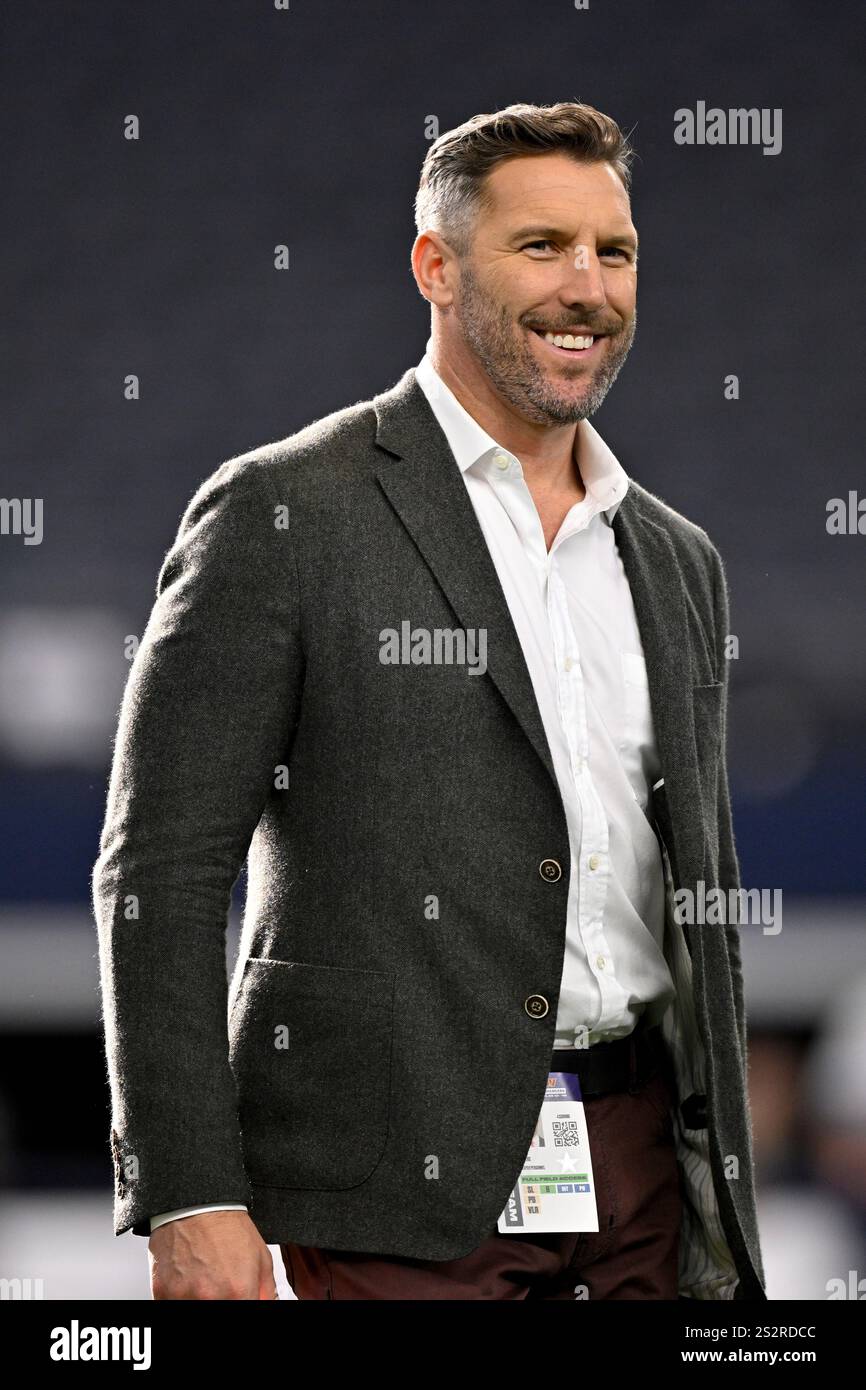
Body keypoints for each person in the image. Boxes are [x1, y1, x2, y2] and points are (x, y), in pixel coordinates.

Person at [93, 100, 767, 1301]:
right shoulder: (283, 513)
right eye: (541, 246)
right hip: (392, 1184)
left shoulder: (675, 558)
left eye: (611, 252)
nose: (586, 286)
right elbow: (160, 872)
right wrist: (190, 1192)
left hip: (640, 1170)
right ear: (436, 266)